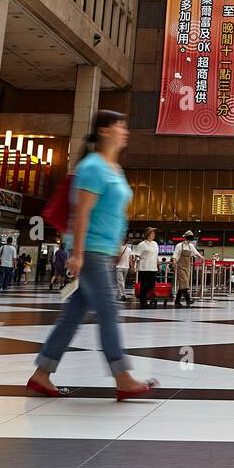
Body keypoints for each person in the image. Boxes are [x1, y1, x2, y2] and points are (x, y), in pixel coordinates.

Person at [26, 111, 155, 400]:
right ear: (104, 131)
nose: (126, 131)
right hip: (91, 251)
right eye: (121, 126)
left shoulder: (114, 168)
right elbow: (80, 213)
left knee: (72, 316)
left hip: (104, 251)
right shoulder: (93, 167)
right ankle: (122, 377)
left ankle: (41, 374)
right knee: (109, 311)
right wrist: (79, 254)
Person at [173, 231, 202, 307]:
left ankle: (177, 301)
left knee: (183, 285)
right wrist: (174, 262)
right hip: (180, 266)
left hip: (187, 267)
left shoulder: (191, 246)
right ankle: (188, 300)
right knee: (184, 283)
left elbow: (196, 253)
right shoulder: (179, 245)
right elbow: (175, 255)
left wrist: (201, 257)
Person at [135, 227, 159, 307]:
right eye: (152, 233)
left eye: (154, 233)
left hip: (153, 267)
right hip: (144, 267)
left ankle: (146, 297)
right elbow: (137, 255)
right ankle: (143, 301)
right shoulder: (142, 244)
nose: (154, 235)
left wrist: (157, 264)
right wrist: (134, 266)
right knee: (144, 285)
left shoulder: (155, 244)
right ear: (148, 234)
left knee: (152, 285)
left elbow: (156, 256)